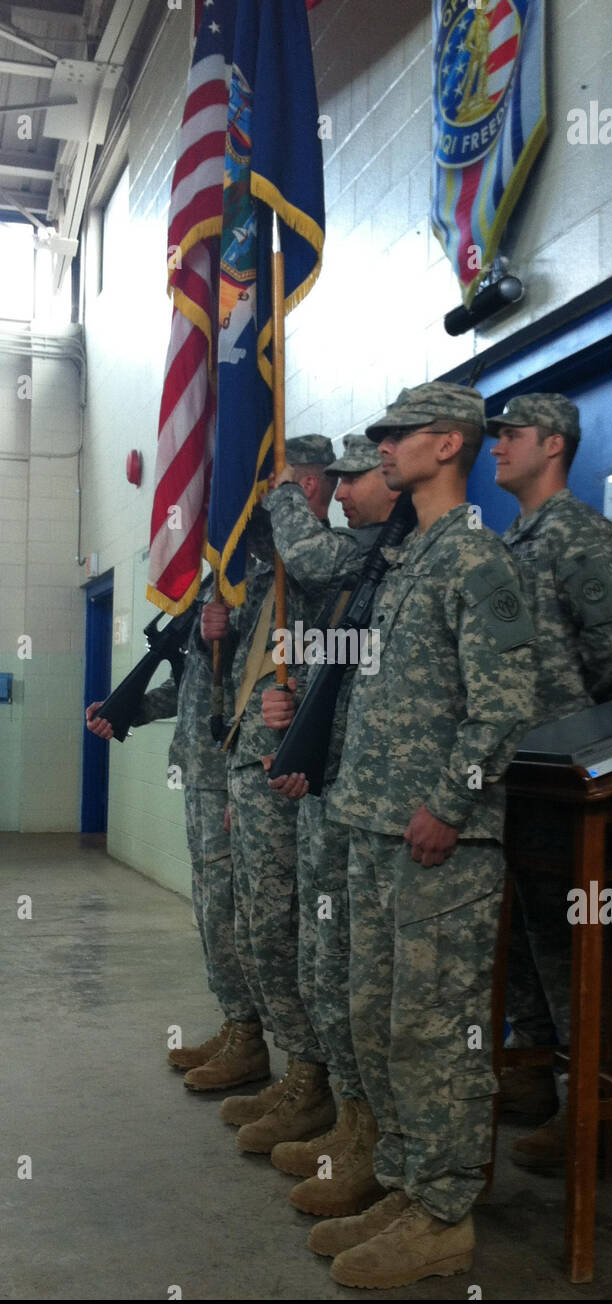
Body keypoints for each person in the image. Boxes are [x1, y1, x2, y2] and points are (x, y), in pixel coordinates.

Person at [307, 380, 538, 1290]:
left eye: (397, 434)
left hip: (440, 840)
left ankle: (444, 1213)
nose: (383, 447)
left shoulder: (478, 562)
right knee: (377, 1023)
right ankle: (404, 1185)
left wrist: (451, 803)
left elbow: (504, 707)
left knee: (434, 1032)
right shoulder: (406, 562)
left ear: (448, 443)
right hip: (372, 830)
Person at [488, 392, 612, 1165]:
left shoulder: (575, 530)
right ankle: (529, 1079)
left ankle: (583, 1104)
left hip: (565, 777)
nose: (496, 447)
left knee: (563, 933)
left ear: (553, 444)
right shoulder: (514, 537)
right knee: (517, 926)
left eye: (510, 435)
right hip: (516, 773)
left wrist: (573, 726)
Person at [206, 434, 375, 1155]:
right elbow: (252, 672)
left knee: (300, 936)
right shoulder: (276, 574)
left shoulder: (343, 557)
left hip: (329, 782)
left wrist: (297, 702)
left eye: (342, 483)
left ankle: (332, 1096)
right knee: (264, 929)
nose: (337, 495)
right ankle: (300, 1068)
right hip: (267, 770)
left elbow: (337, 661)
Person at [260, 435, 402, 1218]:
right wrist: (287, 703)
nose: (345, 493)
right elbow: (324, 652)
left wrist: (283, 491)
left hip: (378, 801)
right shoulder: (362, 561)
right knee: (324, 964)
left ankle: (374, 1140)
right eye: (338, 481)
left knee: (360, 977)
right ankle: (347, 1120)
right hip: (332, 790)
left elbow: (314, 562)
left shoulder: (382, 554)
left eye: (355, 480)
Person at [85, 575, 268, 1093]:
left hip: (231, 775)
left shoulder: (250, 587)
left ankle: (251, 1041)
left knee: (229, 910)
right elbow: (189, 688)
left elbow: (255, 684)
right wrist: (126, 711)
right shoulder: (212, 584)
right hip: (199, 772)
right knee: (210, 908)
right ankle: (238, 1026)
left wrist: (227, 636)